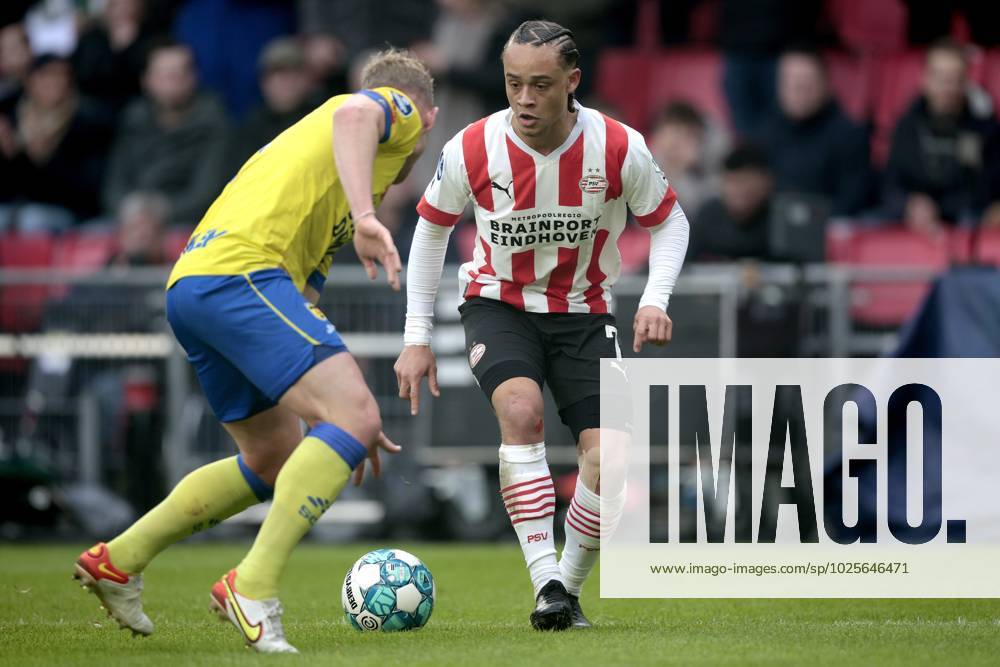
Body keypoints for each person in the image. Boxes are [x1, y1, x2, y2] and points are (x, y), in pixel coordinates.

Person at [72, 48, 439, 654]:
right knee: (355, 415)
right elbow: (355, 115)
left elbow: (302, 297)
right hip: (239, 274)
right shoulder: (394, 115)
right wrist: (371, 216)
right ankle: (253, 584)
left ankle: (121, 558)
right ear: (427, 116)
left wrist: (340, 413)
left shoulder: (329, 182)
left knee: (273, 455)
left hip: (198, 284)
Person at [394, 20, 689, 631]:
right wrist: (416, 338)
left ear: (572, 82)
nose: (524, 99)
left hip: (584, 313)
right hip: (498, 306)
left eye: (540, 85)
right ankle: (544, 581)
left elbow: (670, 222)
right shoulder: (473, 147)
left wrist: (657, 299)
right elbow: (430, 232)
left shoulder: (617, 145)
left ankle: (566, 589)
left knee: (610, 462)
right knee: (521, 412)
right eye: (512, 84)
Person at [102, 39, 229, 225]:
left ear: (194, 77)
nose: (173, 82)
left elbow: (209, 193)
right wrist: (130, 210)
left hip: (193, 223)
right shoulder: (133, 120)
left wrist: (160, 211)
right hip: (131, 220)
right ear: (145, 80)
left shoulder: (214, 121)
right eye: (164, 75)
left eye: (179, 74)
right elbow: (113, 187)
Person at [882, 38, 1000, 232]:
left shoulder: (986, 128)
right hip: (913, 223)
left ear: (966, 81)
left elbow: (987, 189)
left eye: (955, 78)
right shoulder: (906, 124)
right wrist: (909, 204)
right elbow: (890, 185)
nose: (947, 86)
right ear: (924, 79)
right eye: (939, 76)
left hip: (968, 221)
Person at [0, 54, 114, 231]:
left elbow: (88, 190)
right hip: (15, 207)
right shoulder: (11, 116)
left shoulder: (89, 120)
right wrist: (8, 154)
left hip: (69, 212)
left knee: (33, 220)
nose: (54, 82)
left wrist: (40, 159)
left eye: (62, 75)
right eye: (46, 75)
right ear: (30, 80)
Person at [756, 46, 870, 217]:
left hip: (828, 232)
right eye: (790, 81)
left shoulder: (849, 135)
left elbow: (852, 199)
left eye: (807, 80)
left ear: (826, 84)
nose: (798, 88)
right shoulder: (763, 134)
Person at [686, 144, 776, 262]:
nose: (737, 190)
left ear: (766, 182)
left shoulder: (781, 218)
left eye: (745, 181)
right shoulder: (708, 215)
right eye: (731, 181)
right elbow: (686, 264)